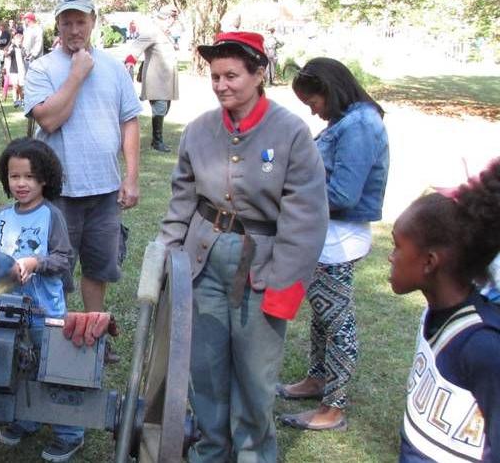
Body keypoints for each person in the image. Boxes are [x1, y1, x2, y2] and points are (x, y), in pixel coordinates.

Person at [159, 31, 328, 462]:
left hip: (263, 265)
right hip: (203, 260)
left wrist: (284, 287)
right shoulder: (198, 131)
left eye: (231, 75)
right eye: (215, 77)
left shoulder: (291, 133)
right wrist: (167, 255)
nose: (221, 86)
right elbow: (183, 199)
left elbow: (304, 218)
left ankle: (253, 454)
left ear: (258, 74)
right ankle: (212, 450)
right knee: (205, 369)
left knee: (254, 378)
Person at [277, 57, 389, 431]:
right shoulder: (347, 121)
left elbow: (342, 193)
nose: (313, 111)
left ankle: (334, 407)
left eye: (314, 103)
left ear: (331, 90)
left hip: (337, 239)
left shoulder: (359, 125)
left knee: (337, 323)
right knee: (323, 319)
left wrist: (287, 193)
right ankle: (317, 379)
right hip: (324, 235)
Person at [23, 0, 141, 344]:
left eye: (81, 21)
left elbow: (129, 121)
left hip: (105, 189)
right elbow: (49, 120)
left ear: (93, 22)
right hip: (60, 192)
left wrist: (131, 176)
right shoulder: (42, 68)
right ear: (57, 25)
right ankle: (52, 336)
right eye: (67, 22)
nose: (74, 30)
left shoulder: (115, 67)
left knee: (99, 267)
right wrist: (76, 75)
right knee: (54, 269)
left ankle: (94, 335)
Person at [0, 138, 83, 462]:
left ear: (44, 179)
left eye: (29, 177)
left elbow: (63, 258)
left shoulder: (52, 217)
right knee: (16, 364)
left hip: (43, 311)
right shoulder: (4, 216)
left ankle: (69, 432)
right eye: (14, 176)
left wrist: (36, 263)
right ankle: (26, 419)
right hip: (8, 311)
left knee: (52, 368)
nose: (21, 183)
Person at [388, 159, 500, 462]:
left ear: (429, 262)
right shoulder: (434, 314)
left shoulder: (484, 346)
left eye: (397, 246)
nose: (390, 257)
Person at [129, 24, 179, 152]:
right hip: (155, 79)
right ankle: (157, 141)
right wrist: (130, 61)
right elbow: (136, 47)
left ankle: (156, 140)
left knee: (165, 109)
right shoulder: (152, 32)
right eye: (171, 19)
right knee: (160, 108)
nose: (172, 22)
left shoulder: (166, 33)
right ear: (165, 18)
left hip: (167, 79)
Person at [3, 32, 27, 106]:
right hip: (13, 70)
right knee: (15, 85)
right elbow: (7, 55)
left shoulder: (22, 49)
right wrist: (7, 50)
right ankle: (15, 101)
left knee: (20, 86)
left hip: (21, 70)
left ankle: (22, 99)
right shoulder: (12, 48)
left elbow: (25, 56)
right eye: (18, 40)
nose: (19, 42)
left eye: (20, 41)